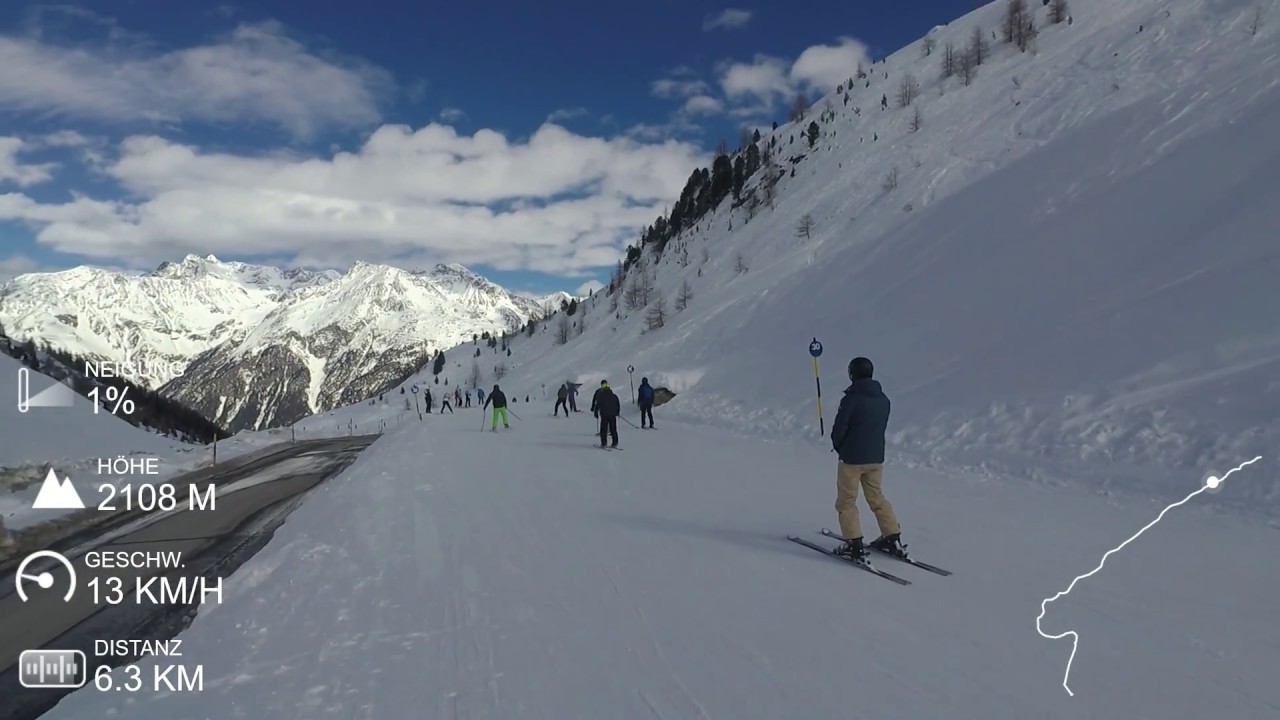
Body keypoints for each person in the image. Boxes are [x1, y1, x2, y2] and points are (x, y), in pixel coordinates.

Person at [829, 356, 904, 561]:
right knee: (876, 497)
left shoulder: (851, 399)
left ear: (852, 373)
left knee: (846, 501)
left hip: (852, 459)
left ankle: (853, 542)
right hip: (875, 458)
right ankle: (891, 535)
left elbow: (839, 428)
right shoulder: (884, 400)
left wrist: (840, 447)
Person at [591, 380, 620, 448]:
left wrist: (595, 413)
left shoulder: (601, 396)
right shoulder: (614, 396)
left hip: (604, 415)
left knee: (603, 429)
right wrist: (617, 412)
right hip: (612, 415)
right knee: (613, 429)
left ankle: (604, 443)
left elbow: (598, 405)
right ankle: (615, 442)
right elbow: (617, 405)